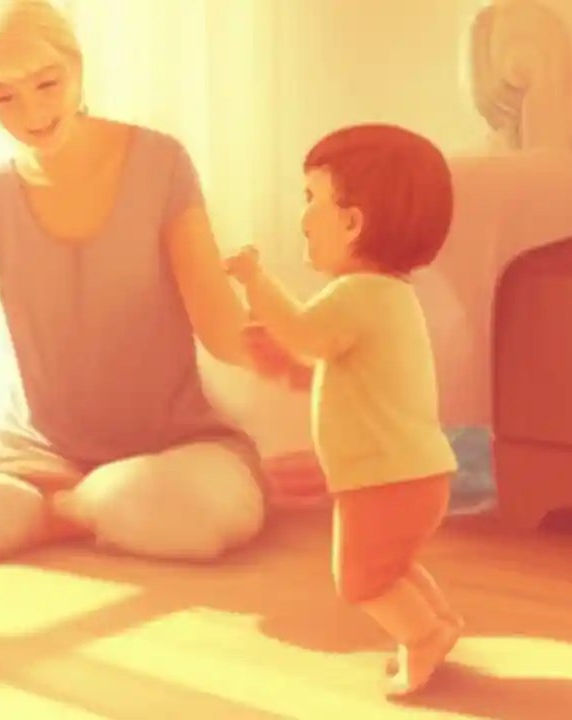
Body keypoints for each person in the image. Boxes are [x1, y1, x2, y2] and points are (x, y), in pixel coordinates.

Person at [0, 0, 271, 575]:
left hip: (168, 447)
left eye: (48, 83)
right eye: (3, 96)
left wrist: (293, 347)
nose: (31, 112)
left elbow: (219, 326)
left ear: (77, 68)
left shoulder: (162, 162)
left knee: (193, 512)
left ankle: (70, 508)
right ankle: (79, 509)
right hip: (27, 452)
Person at [224, 123, 462, 697]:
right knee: (390, 565)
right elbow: (344, 375)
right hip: (415, 475)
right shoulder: (390, 299)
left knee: (359, 578)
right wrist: (288, 370)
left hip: (385, 479)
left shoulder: (357, 295)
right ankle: (437, 625)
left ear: (353, 222)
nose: (302, 217)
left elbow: (305, 333)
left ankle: (423, 636)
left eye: (311, 200)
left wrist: (255, 280)